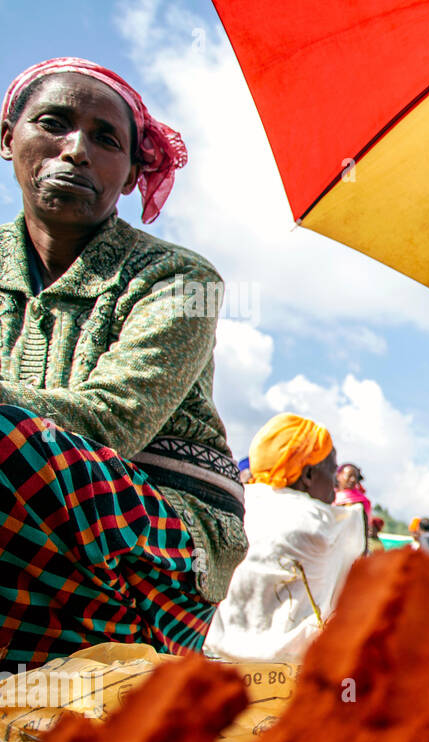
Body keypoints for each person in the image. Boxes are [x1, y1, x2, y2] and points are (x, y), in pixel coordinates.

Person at [0, 58, 247, 665]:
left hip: (151, 558)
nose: (76, 150)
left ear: (135, 170)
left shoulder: (183, 280)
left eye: (105, 138)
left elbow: (113, 422)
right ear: (9, 138)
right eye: (52, 123)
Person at [204, 413, 364, 661]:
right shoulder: (321, 522)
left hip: (211, 653)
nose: (335, 483)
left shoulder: (238, 501)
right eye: (332, 471)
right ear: (308, 475)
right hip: (284, 673)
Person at [333, 461, 372, 525]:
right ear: (338, 476)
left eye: (355, 477)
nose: (353, 479)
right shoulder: (329, 495)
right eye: (349, 475)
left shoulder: (362, 501)